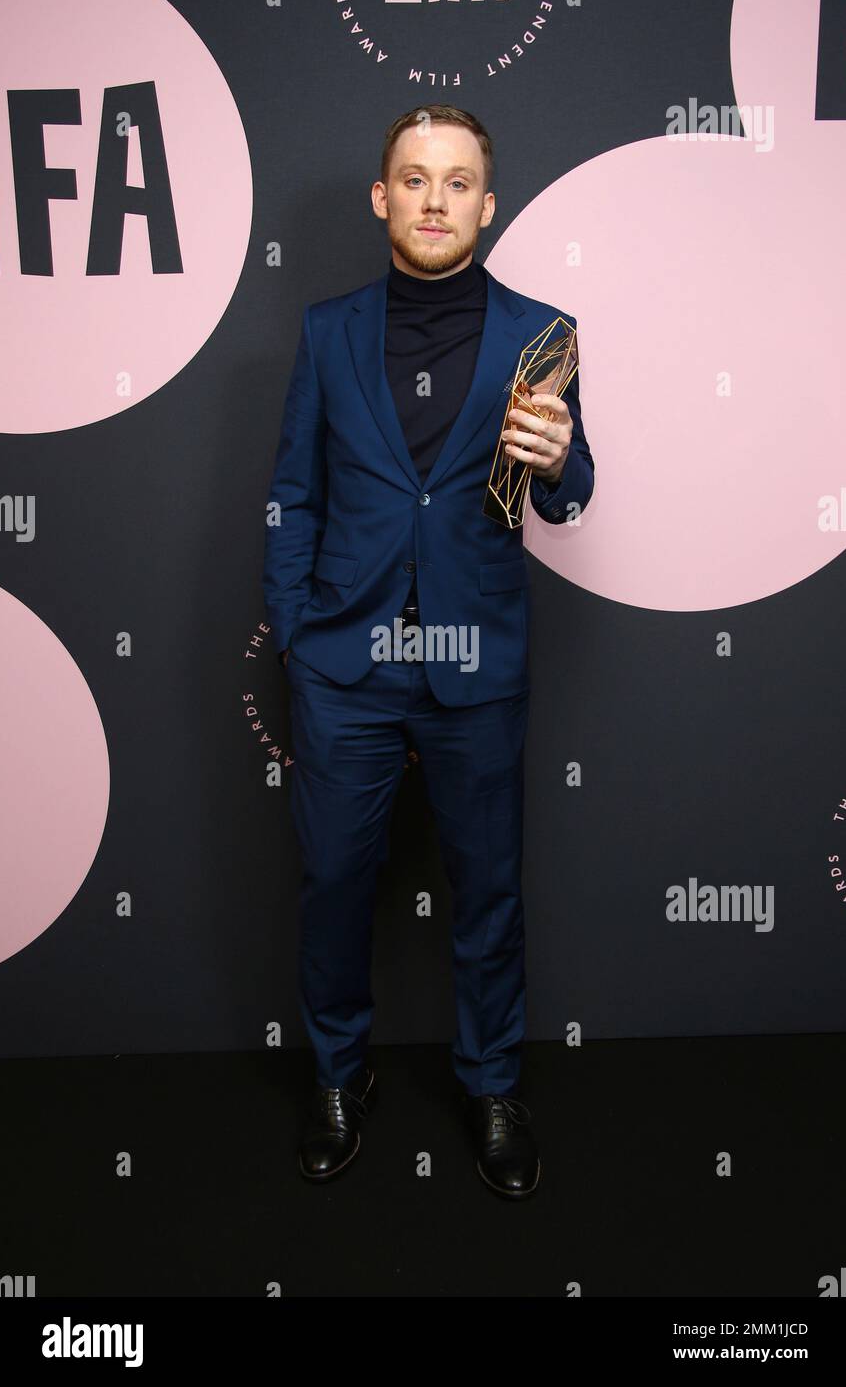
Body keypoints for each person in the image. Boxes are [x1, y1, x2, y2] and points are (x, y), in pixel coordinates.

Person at [262, 104, 595, 1200]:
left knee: (488, 891)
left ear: (486, 206)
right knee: (332, 885)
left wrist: (555, 458)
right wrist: (303, 639)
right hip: (344, 668)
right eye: (414, 179)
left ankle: (493, 1083)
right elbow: (294, 498)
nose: (435, 199)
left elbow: (574, 487)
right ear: (381, 197)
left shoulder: (541, 333)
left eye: (457, 182)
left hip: (476, 665)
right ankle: (338, 1076)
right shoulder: (326, 331)